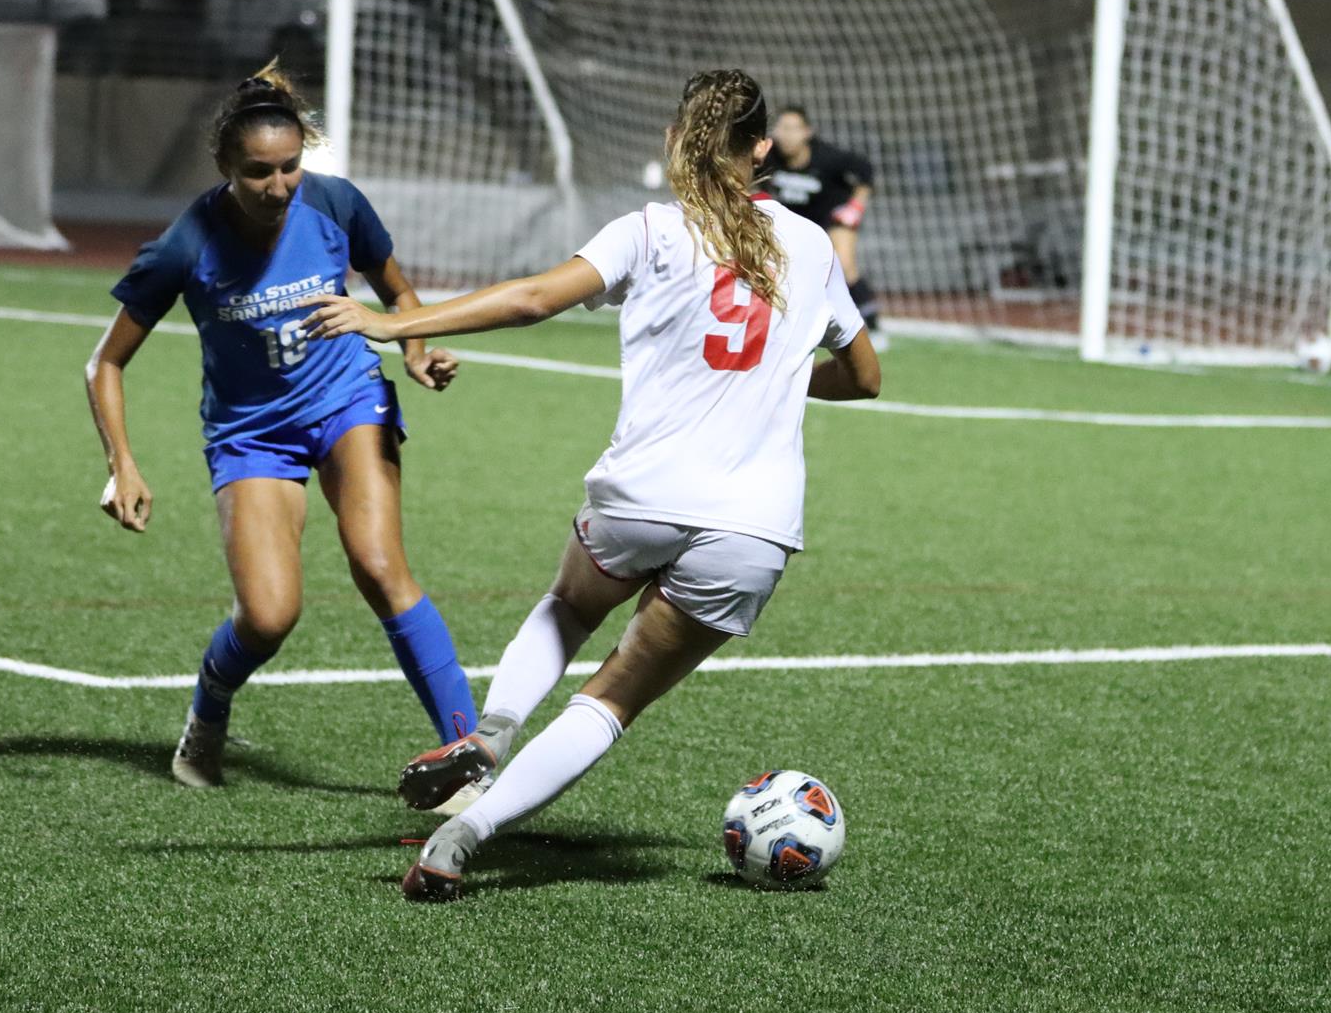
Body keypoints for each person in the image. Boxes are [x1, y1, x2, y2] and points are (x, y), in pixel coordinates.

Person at [303, 68, 882, 901]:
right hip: (751, 530)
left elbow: (535, 297)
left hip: (639, 498)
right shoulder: (812, 244)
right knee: (608, 702)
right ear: (761, 151)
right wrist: (784, 377)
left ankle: (494, 730)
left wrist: (396, 320)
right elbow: (863, 378)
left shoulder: (650, 229)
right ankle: (462, 837)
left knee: (570, 608)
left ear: (675, 141)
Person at [84, 63, 478, 789]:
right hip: (250, 433)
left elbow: (395, 288)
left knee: (381, 565)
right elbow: (104, 364)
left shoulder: (334, 203)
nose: (279, 186)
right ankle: (208, 711)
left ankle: (472, 761)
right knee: (268, 616)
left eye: (290, 166)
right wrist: (123, 463)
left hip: (345, 401)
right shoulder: (186, 243)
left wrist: (415, 347)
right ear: (224, 166)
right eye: (258, 172)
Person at [759, 105, 886, 350]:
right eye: (782, 129)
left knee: (845, 267)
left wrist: (855, 208)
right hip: (795, 222)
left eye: (793, 129)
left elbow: (865, 171)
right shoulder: (769, 157)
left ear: (807, 132)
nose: (786, 135)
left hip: (832, 219)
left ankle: (874, 325)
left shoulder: (828, 157)